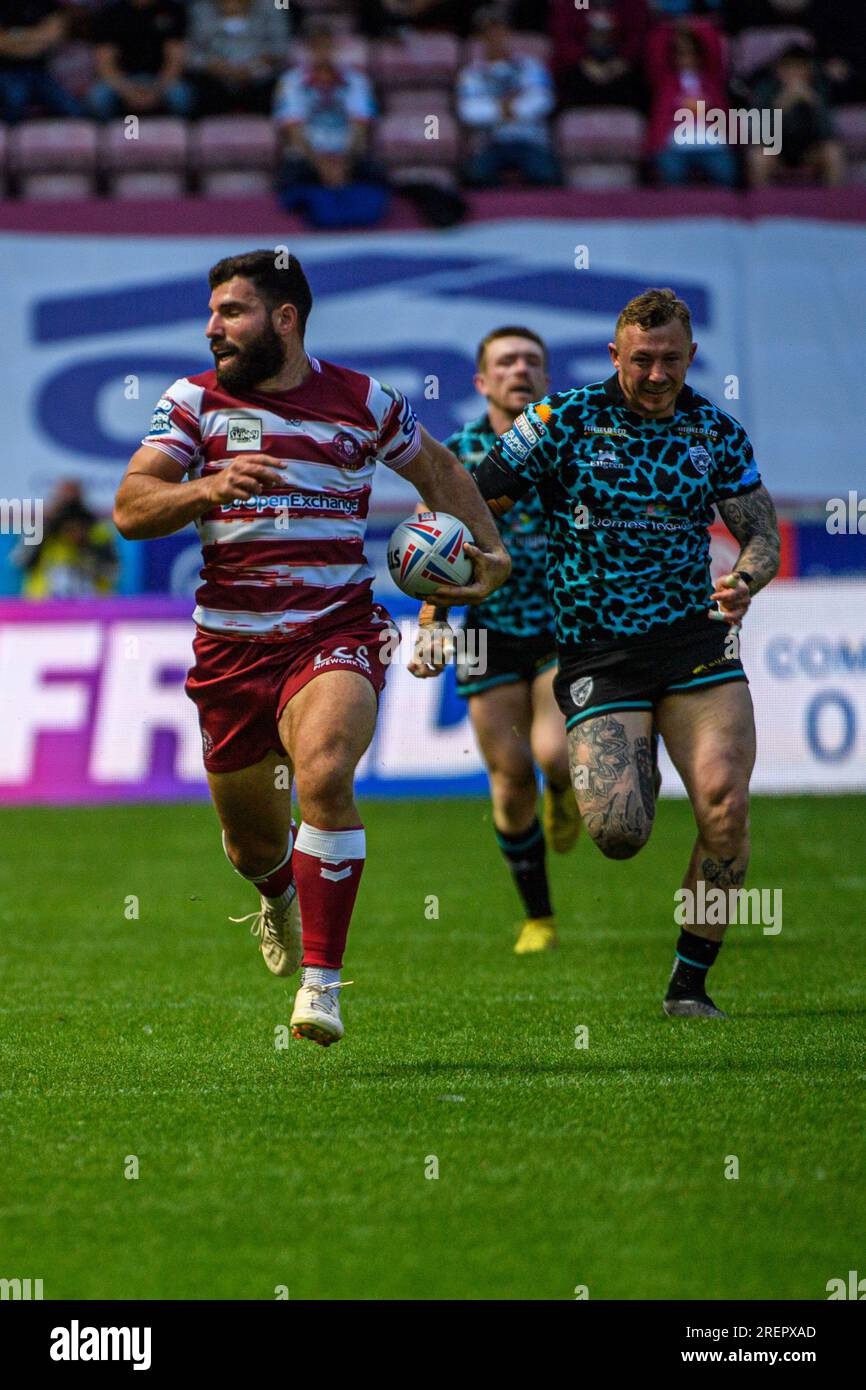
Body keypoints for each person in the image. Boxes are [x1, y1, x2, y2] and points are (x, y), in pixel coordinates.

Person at [112, 249, 510, 1047]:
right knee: (252, 843)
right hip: (231, 652)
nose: (213, 327)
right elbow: (130, 507)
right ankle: (275, 895)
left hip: (336, 630)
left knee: (325, 769)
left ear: (284, 319)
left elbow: (440, 473)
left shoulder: (363, 402)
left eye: (232, 311)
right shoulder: (193, 403)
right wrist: (204, 488)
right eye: (213, 311)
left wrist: (490, 556)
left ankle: (321, 984)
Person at [415, 288, 781, 1019]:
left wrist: (743, 580)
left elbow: (762, 536)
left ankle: (688, 985)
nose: (655, 375)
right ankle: (623, 763)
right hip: (597, 650)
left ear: (691, 356)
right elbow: (473, 500)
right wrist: (436, 606)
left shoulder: (716, 432)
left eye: (671, 359)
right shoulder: (560, 422)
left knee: (724, 805)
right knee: (618, 833)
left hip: (695, 642)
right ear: (615, 355)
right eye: (641, 360)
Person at [410, 328, 579, 955]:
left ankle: (564, 790)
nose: (521, 370)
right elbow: (435, 555)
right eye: (506, 362)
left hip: (565, 625)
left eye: (533, 360)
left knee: (556, 756)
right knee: (509, 781)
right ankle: (538, 917)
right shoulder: (455, 458)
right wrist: (432, 627)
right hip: (487, 631)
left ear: (546, 376)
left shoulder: (570, 443)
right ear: (482, 382)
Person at [273, 19, 388, 224]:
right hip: (309, 156)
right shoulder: (291, 81)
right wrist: (320, 165)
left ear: (335, 48)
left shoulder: (356, 80)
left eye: (326, 46)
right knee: (287, 181)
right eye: (316, 47)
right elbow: (294, 130)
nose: (322, 53)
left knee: (377, 174)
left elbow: (360, 125)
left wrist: (345, 161)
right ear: (307, 49)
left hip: (346, 154)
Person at [457, 7, 561, 187]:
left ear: (509, 35)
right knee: (474, 177)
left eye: (500, 31)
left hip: (529, 140)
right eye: (488, 33)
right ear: (480, 39)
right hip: (491, 143)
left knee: (547, 176)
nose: (495, 37)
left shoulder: (530, 65)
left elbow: (544, 99)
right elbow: (468, 111)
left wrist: (510, 108)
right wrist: (502, 108)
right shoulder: (471, 73)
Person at [646, 18, 738, 186]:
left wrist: (694, 26)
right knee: (671, 174)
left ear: (700, 56)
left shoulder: (712, 81)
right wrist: (674, 28)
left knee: (727, 173)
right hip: (674, 148)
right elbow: (655, 47)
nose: (686, 58)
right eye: (681, 53)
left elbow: (714, 45)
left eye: (691, 53)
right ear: (673, 57)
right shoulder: (665, 82)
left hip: (713, 146)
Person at [747, 44, 845, 188]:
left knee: (833, 152)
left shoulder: (818, 88)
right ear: (778, 70)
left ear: (808, 70)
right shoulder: (765, 90)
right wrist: (780, 108)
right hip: (776, 151)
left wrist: (815, 106)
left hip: (808, 150)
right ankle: (762, 207)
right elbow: (758, 136)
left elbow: (828, 133)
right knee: (757, 157)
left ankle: (834, 205)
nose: (793, 74)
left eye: (799, 68)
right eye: (788, 68)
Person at [90, 0, 194, 120]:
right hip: (122, 80)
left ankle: (173, 136)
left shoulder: (173, 10)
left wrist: (156, 90)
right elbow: (105, 63)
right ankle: (113, 136)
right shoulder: (110, 13)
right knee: (98, 97)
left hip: (160, 79)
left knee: (181, 97)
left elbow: (175, 60)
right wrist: (128, 91)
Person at [14, 480, 118, 598]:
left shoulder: (99, 531)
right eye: (64, 502)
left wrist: (86, 545)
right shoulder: (39, 528)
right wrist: (48, 527)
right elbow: (21, 562)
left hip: (92, 605)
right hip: (43, 605)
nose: (69, 509)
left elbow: (112, 571)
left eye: (74, 503)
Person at [188, 0, 290, 116]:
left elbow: (280, 48)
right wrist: (217, 66)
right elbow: (192, 53)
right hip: (214, 75)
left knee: (279, 83)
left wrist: (251, 67)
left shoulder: (274, 4)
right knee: (198, 85)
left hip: (259, 75)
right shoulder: (201, 7)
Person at [0, 1, 83, 123]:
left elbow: (51, 38)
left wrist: (14, 36)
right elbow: (2, 45)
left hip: (41, 73)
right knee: (14, 105)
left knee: (73, 110)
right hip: (7, 71)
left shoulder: (47, 4)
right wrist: (38, 35)